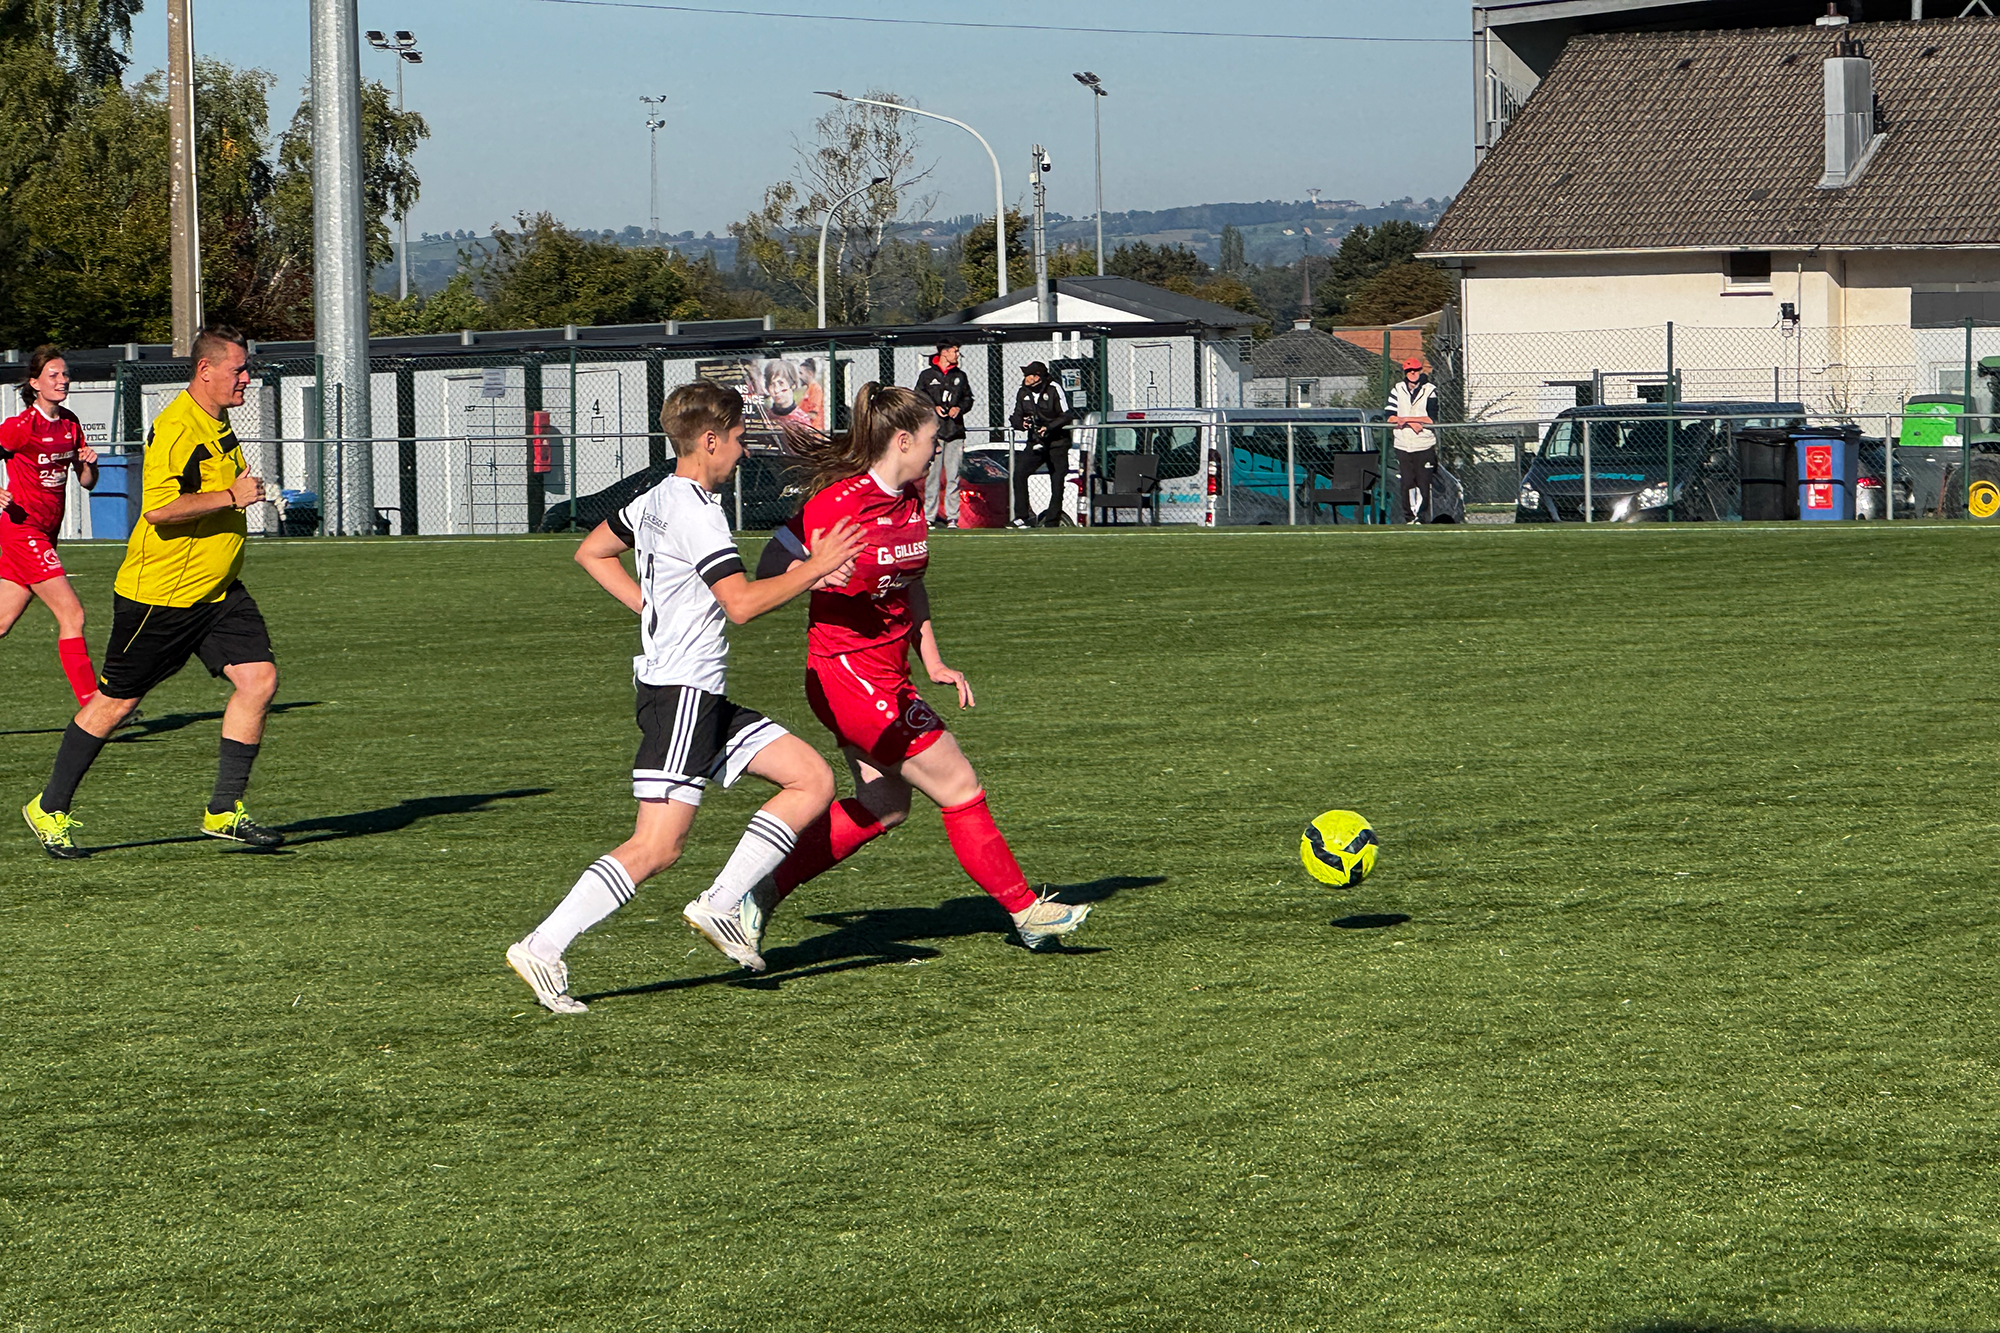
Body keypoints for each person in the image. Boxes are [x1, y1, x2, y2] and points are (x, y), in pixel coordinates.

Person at [505, 381, 866, 1014]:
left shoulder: (657, 496)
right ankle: (544, 945)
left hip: (694, 691)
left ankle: (722, 904)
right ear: (710, 440)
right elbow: (741, 605)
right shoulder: (698, 511)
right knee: (658, 846)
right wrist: (816, 566)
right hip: (681, 695)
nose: (744, 452)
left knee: (810, 779)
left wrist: (652, 609)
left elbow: (592, 551)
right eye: (739, 439)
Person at [745, 382, 1094, 954]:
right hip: (845, 672)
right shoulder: (840, 502)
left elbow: (911, 584)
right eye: (933, 439)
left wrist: (933, 659)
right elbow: (769, 566)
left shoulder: (908, 500)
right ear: (903, 441)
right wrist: (812, 572)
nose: (938, 449)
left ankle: (756, 893)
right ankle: (1025, 911)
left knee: (886, 806)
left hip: (888, 672)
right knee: (958, 783)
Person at [22, 325, 282, 858]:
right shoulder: (177, 427)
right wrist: (230, 495)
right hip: (162, 596)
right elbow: (159, 509)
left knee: (258, 679)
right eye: (238, 370)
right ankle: (49, 806)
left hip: (216, 592)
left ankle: (224, 810)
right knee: (116, 704)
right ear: (205, 370)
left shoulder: (216, 418)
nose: (246, 379)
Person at [0, 345, 101, 708]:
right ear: (35, 383)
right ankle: (93, 705)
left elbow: (87, 482)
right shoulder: (21, 427)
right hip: (22, 531)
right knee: (72, 613)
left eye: (65, 374)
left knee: (1, 622)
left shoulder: (70, 423)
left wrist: (90, 464)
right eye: (53, 375)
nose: (62, 380)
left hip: (46, 533)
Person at [1008, 361, 1076, 528]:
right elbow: (1016, 415)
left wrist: (1049, 427)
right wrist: (1020, 423)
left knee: (1057, 480)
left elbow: (1067, 415)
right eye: (1025, 375)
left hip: (1057, 443)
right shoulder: (1023, 392)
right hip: (1035, 443)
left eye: (1030, 375)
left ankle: (1052, 520)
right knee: (1019, 473)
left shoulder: (1054, 388)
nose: (1027, 378)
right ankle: (1022, 516)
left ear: (1038, 376)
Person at [914, 341, 974, 530]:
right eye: (955, 351)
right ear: (944, 352)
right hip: (934, 434)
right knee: (932, 475)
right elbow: (918, 398)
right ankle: (929, 516)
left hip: (955, 432)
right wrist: (934, 407)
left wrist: (959, 408)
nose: (957, 355)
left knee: (953, 475)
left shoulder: (960, 376)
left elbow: (968, 399)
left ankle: (952, 517)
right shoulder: (927, 375)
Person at [1386, 357, 1439, 523]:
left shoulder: (1430, 390)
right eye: (1409, 371)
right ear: (1405, 372)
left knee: (1423, 482)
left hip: (1423, 444)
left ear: (1420, 371)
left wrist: (1406, 420)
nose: (1412, 373)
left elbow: (1431, 419)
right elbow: (1390, 417)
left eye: (1415, 370)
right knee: (1407, 482)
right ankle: (1409, 517)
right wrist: (1411, 422)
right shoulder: (1397, 389)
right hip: (1403, 444)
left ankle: (1421, 517)